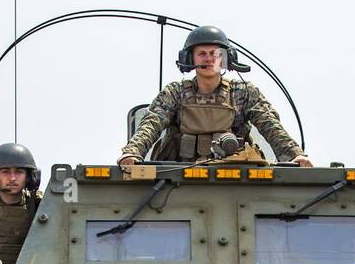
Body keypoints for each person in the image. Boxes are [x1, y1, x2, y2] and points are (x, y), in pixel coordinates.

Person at [119, 25, 312, 167]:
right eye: (201, 53)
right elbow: (152, 124)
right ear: (189, 59)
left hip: (233, 174)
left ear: (226, 58)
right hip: (178, 176)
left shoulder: (243, 92)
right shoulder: (175, 92)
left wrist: (294, 155)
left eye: (215, 53)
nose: (209, 58)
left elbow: (270, 125)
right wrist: (132, 153)